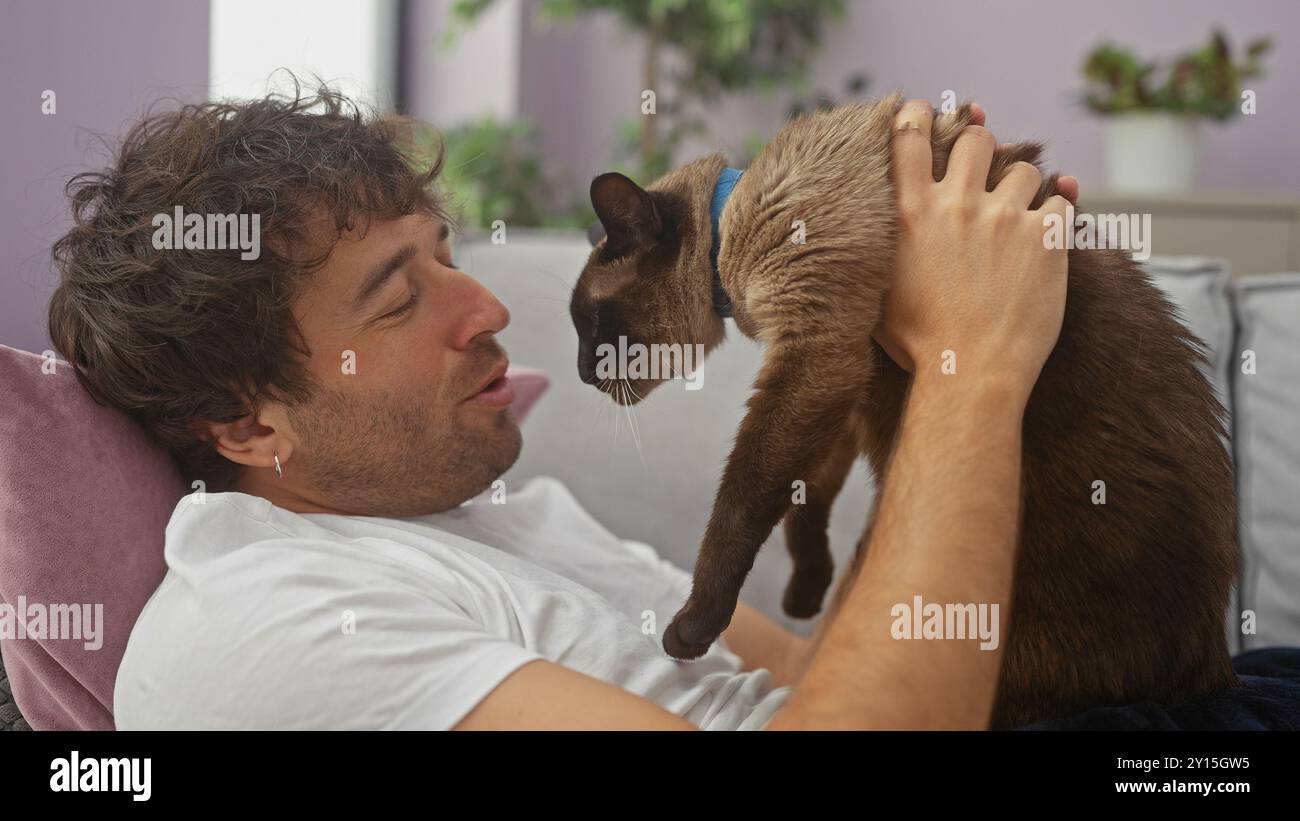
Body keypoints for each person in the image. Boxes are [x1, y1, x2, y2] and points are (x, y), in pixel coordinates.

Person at [49, 85, 1076, 729]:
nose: (489, 307)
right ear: (248, 423)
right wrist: (971, 365)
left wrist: (888, 342)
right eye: (401, 297)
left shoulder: (509, 516)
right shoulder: (266, 624)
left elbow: (815, 672)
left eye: (446, 256)